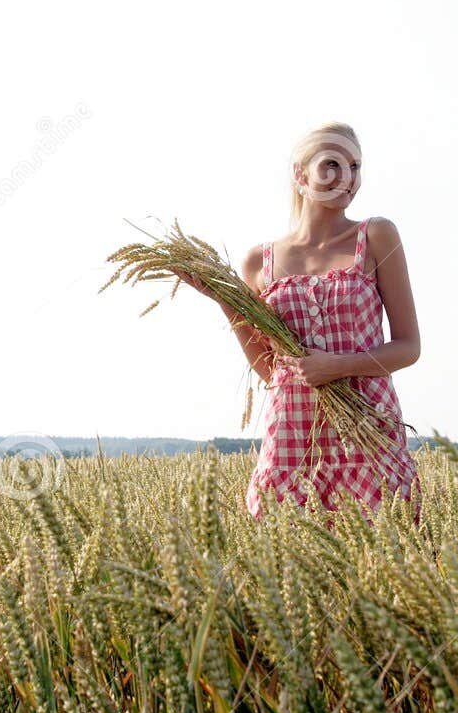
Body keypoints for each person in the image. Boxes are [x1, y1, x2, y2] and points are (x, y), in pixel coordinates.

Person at [181, 122, 422, 524]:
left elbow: (409, 347)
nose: (346, 178)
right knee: (291, 566)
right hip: (293, 434)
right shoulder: (260, 261)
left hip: (367, 430)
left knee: (385, 563)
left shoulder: (376, 236)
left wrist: (337, 366)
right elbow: (270, 369)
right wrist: (225, 302)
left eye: (355, 166)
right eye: (332, 164)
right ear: (300, 174)